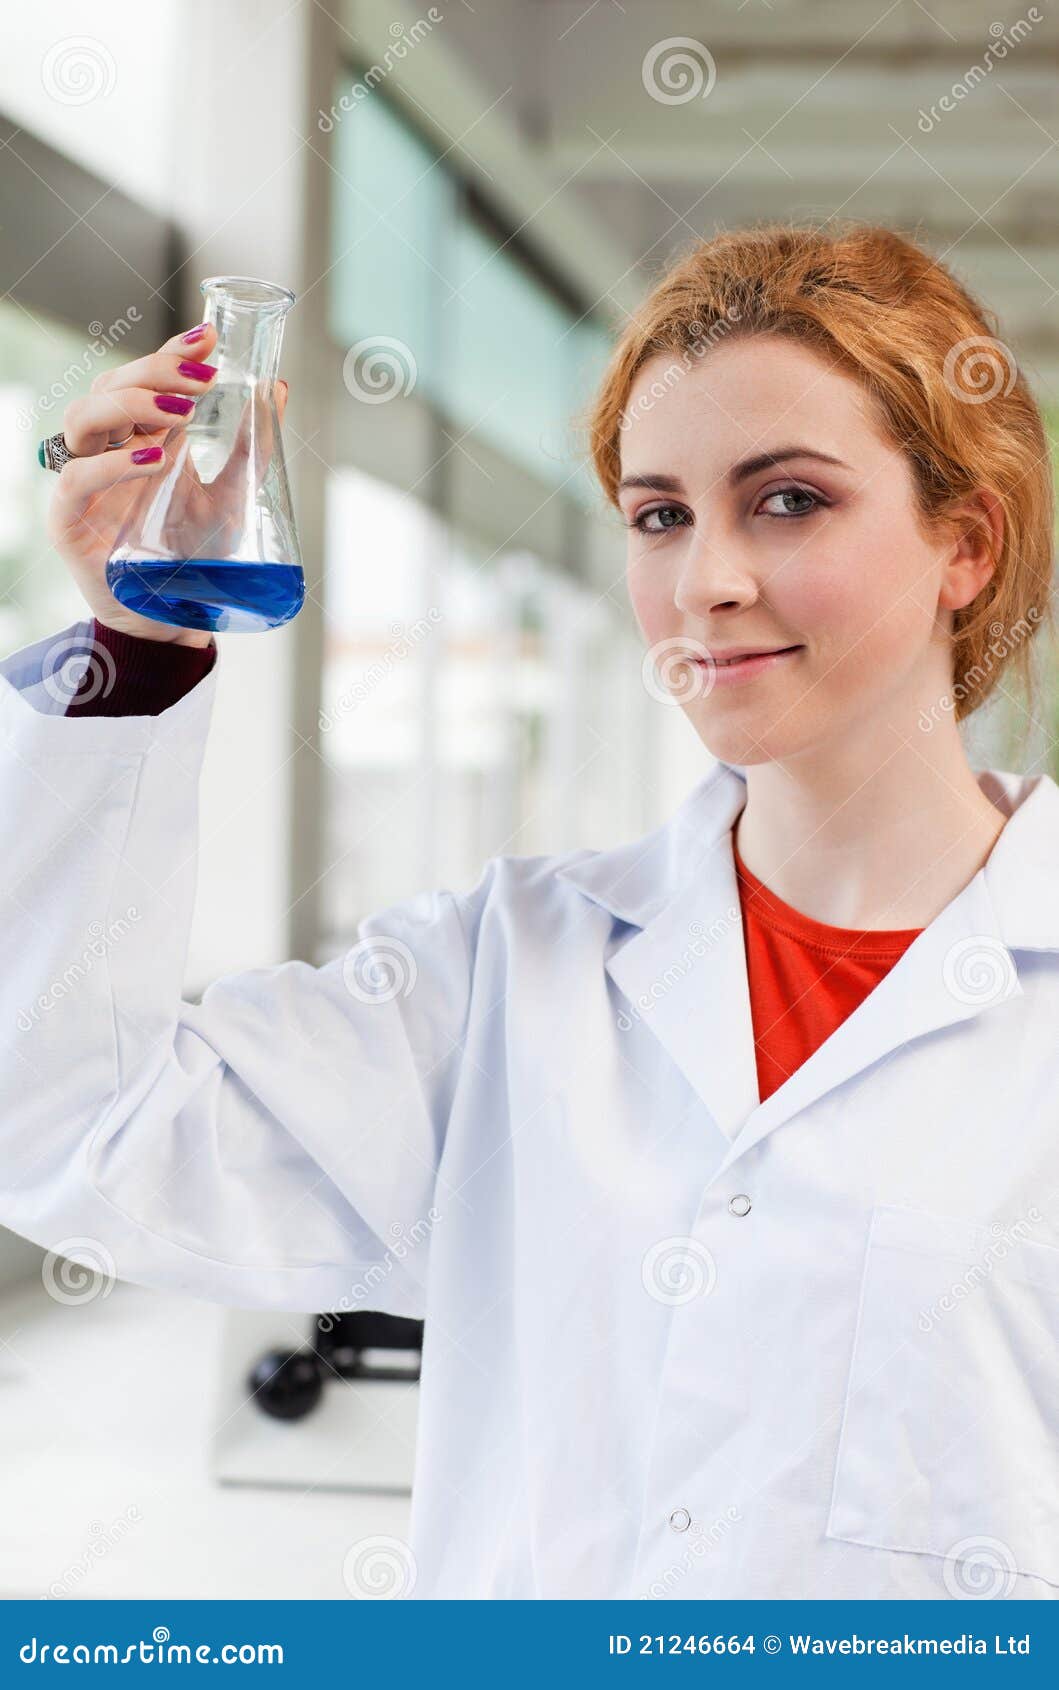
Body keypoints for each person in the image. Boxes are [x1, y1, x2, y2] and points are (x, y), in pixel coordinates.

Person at [3, 221, 1059, 1602]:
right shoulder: (502, 974)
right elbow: (75, 1125)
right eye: (660, 514)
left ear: (966, 543)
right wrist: (135, 655)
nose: (707, 582)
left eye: (788, 499)